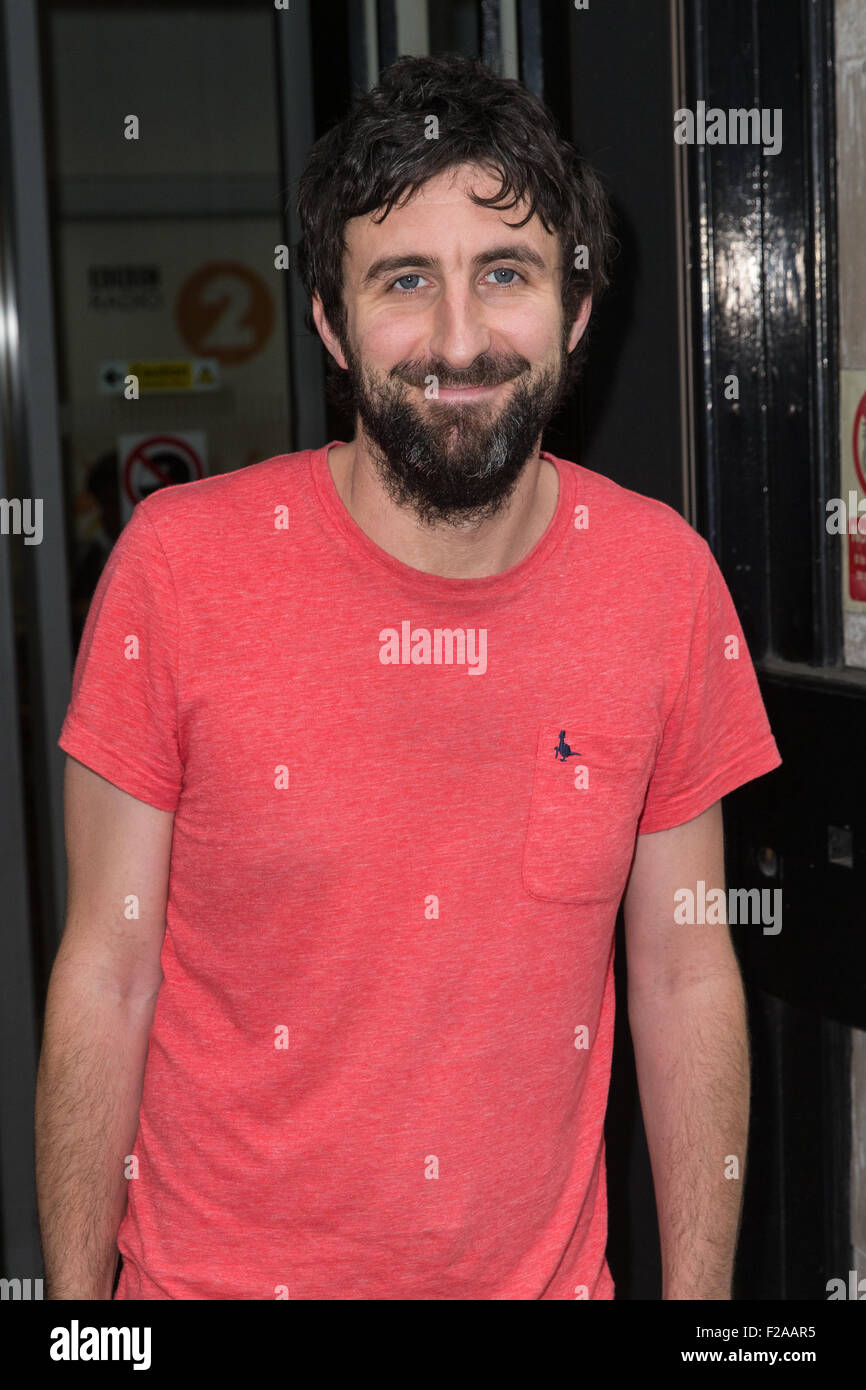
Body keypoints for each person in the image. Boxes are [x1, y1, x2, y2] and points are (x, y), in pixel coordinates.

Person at [36, 53, 781, 1301]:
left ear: (575, 307)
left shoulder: (660, 580)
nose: (456, 338)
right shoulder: (178, 569)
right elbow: (107, 973)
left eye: (504, 274)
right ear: (329, 320)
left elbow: (683, 968)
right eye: (402, 281)